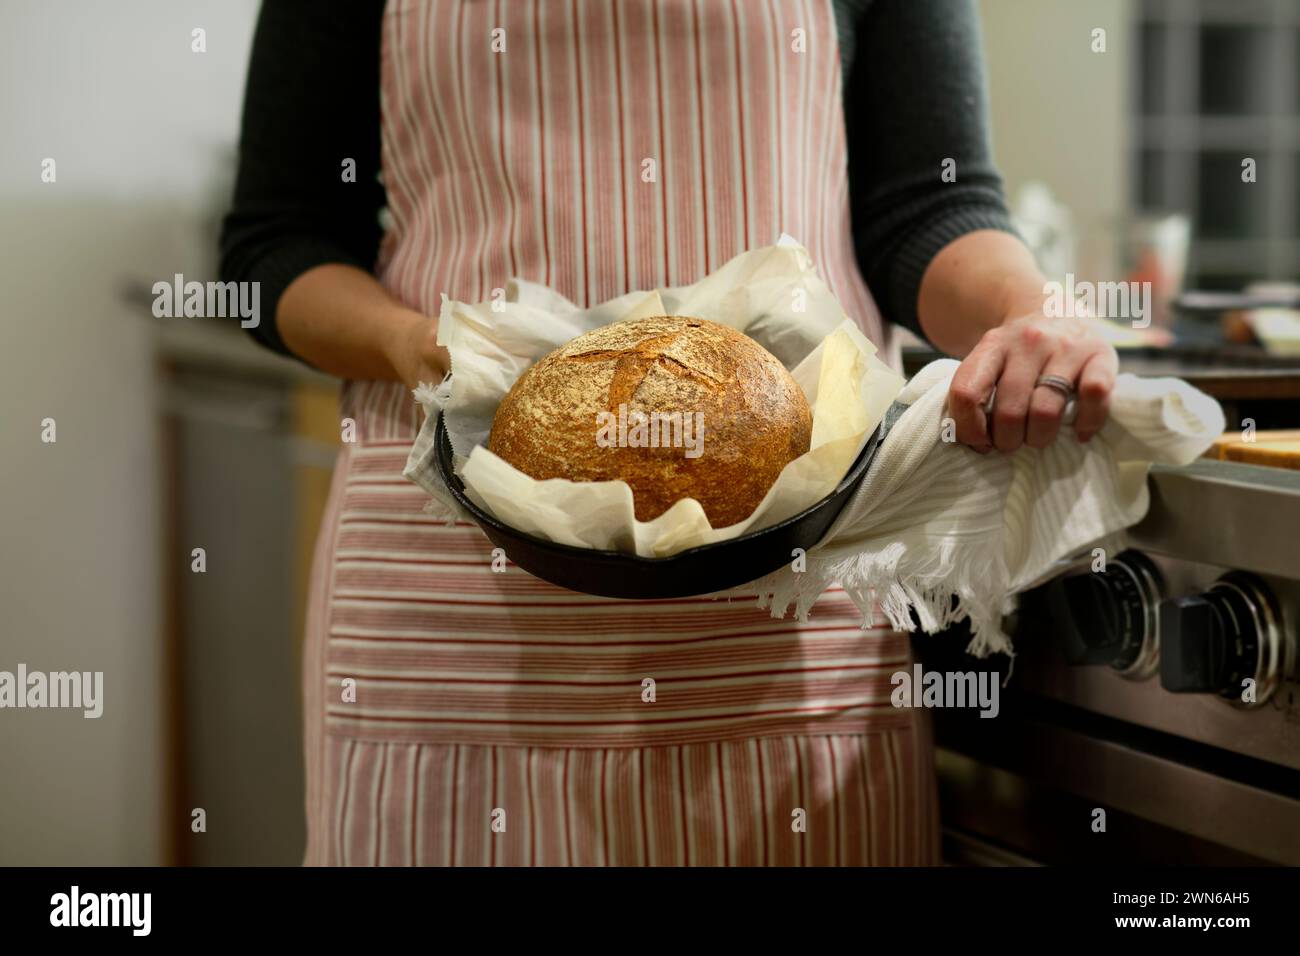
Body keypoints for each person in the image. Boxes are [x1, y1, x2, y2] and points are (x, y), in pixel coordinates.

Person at [221, 0, 1117, 866]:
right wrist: (411, 342)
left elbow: (925, 206)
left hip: (786, 577)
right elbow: (277, 242)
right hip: (457, 581)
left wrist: (1033, 310)